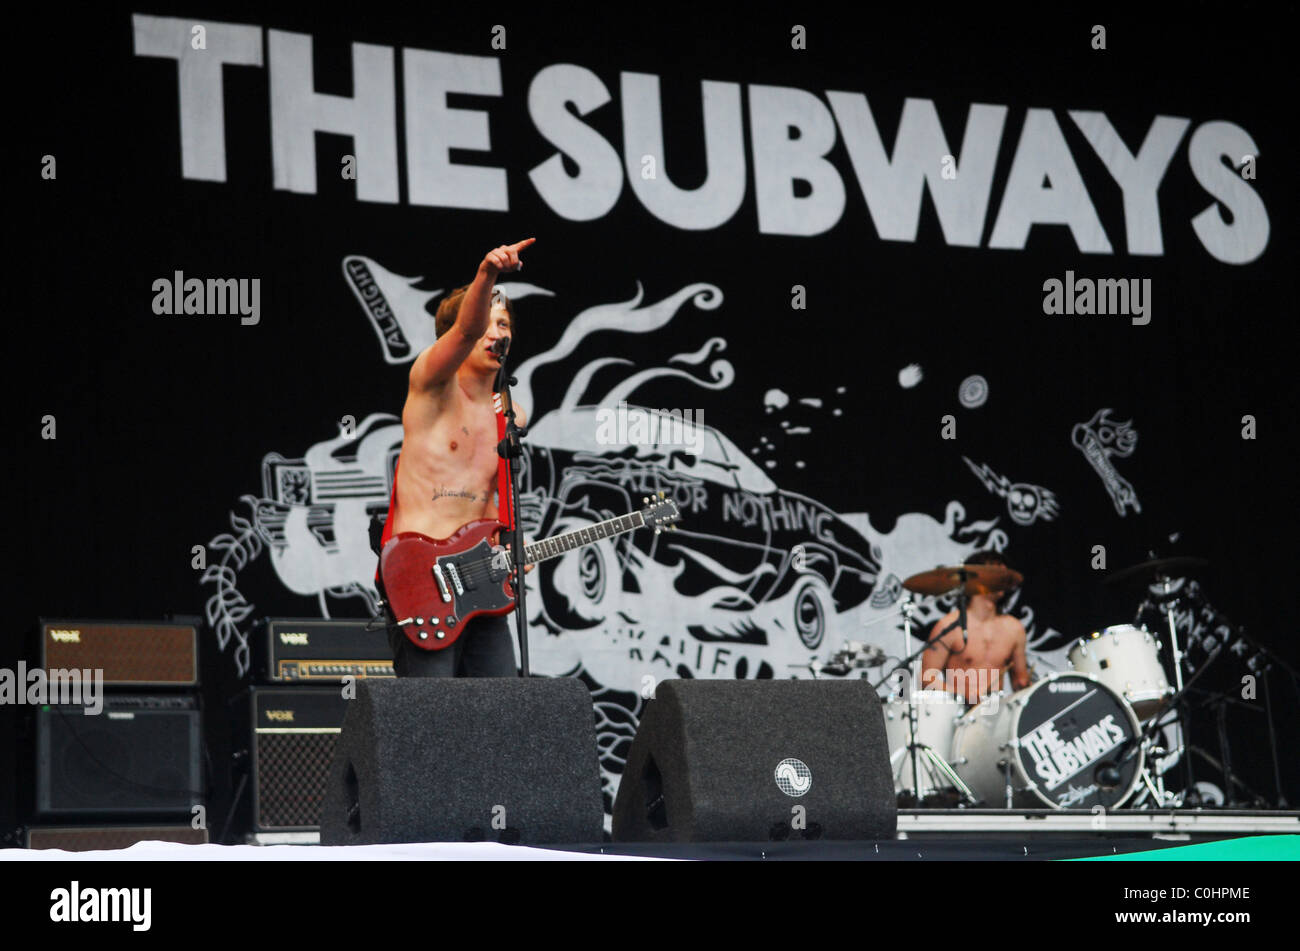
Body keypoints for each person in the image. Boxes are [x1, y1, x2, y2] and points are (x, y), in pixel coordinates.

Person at [374, 238, 536, 677]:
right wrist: (488, 272)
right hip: (421, 584)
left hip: (482, 585)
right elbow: (464, 331)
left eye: (504, 324)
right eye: (487, 321)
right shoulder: (432, 384)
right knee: (432, 722)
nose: (496, 333)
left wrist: (510, 548)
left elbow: (491, 503)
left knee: (501, 717)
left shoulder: (511, 415)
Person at [920, 550, 1030, 703]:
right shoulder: (950, 626)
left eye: (1004, 575)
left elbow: (1020, 681)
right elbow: (926, 679)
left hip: (996, 713)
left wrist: (1026, 684)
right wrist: (962, 693)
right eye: (995, 573)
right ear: (975, 578)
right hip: (960, 714)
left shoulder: (1015, 628)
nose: (1002, 578)